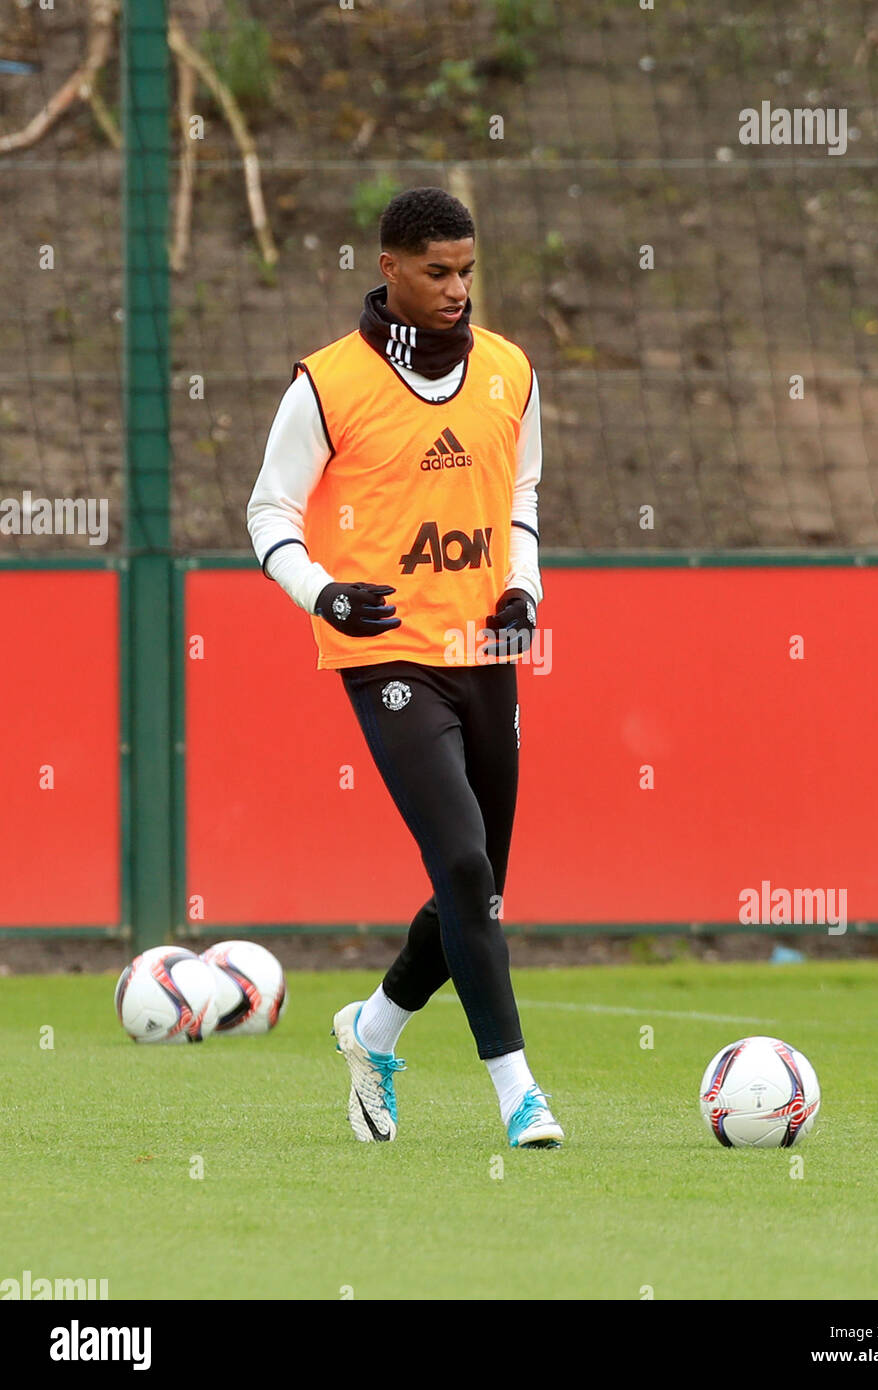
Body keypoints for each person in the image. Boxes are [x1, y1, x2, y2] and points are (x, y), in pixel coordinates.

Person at [246, 186, 562, 1149]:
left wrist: (524, 589)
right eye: (437, 272)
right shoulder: (328, 384)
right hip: (385, 652)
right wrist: (325, 594)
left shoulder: (510, 371)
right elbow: (269, 513)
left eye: (467, 270)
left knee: (481, 885)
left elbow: (524, 496)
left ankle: (373, 1028)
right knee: (460, 860)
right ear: (389, 269)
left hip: (484, 650)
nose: (457, 288)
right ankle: (518, 1092)